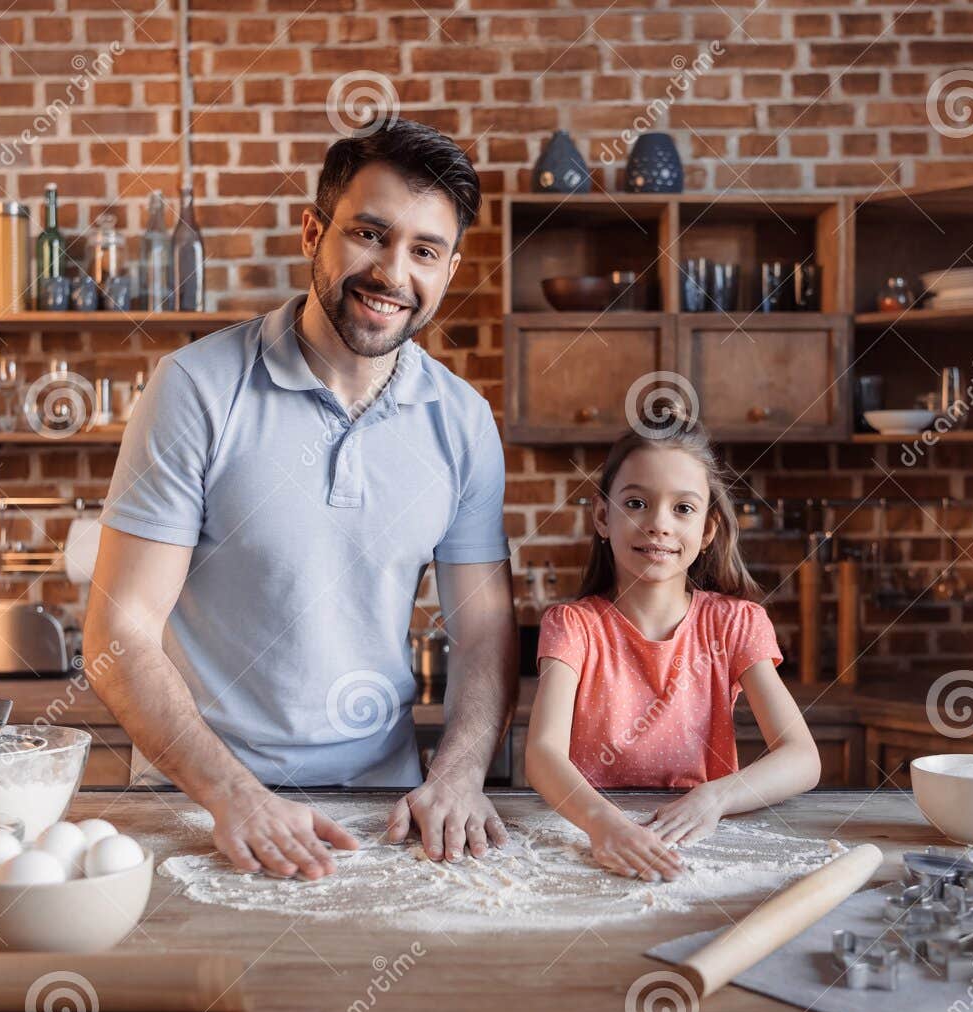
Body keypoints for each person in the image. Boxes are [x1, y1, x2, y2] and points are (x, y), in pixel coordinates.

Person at [85, 119, 517, 881]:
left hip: (385, 815)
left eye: (423, 251)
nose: (391, 272)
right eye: (369, 235)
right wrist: (232, 797)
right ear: (314, 231)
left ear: (449, 269)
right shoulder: (196, 388)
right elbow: (119, 631)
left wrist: (458, 773)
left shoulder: (462, 421)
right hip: (200, 812)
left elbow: (482, 632)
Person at [523, 424, 820, 882]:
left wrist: (715, 798)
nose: (659, 523)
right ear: (603, 517)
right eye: (637, 503)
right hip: (588, 840)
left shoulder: (736, 623)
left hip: (699, 844)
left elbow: (802, 757)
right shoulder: (573, 626)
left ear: (707, 531)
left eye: (683, 508)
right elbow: (543, 754)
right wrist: (603, 825)